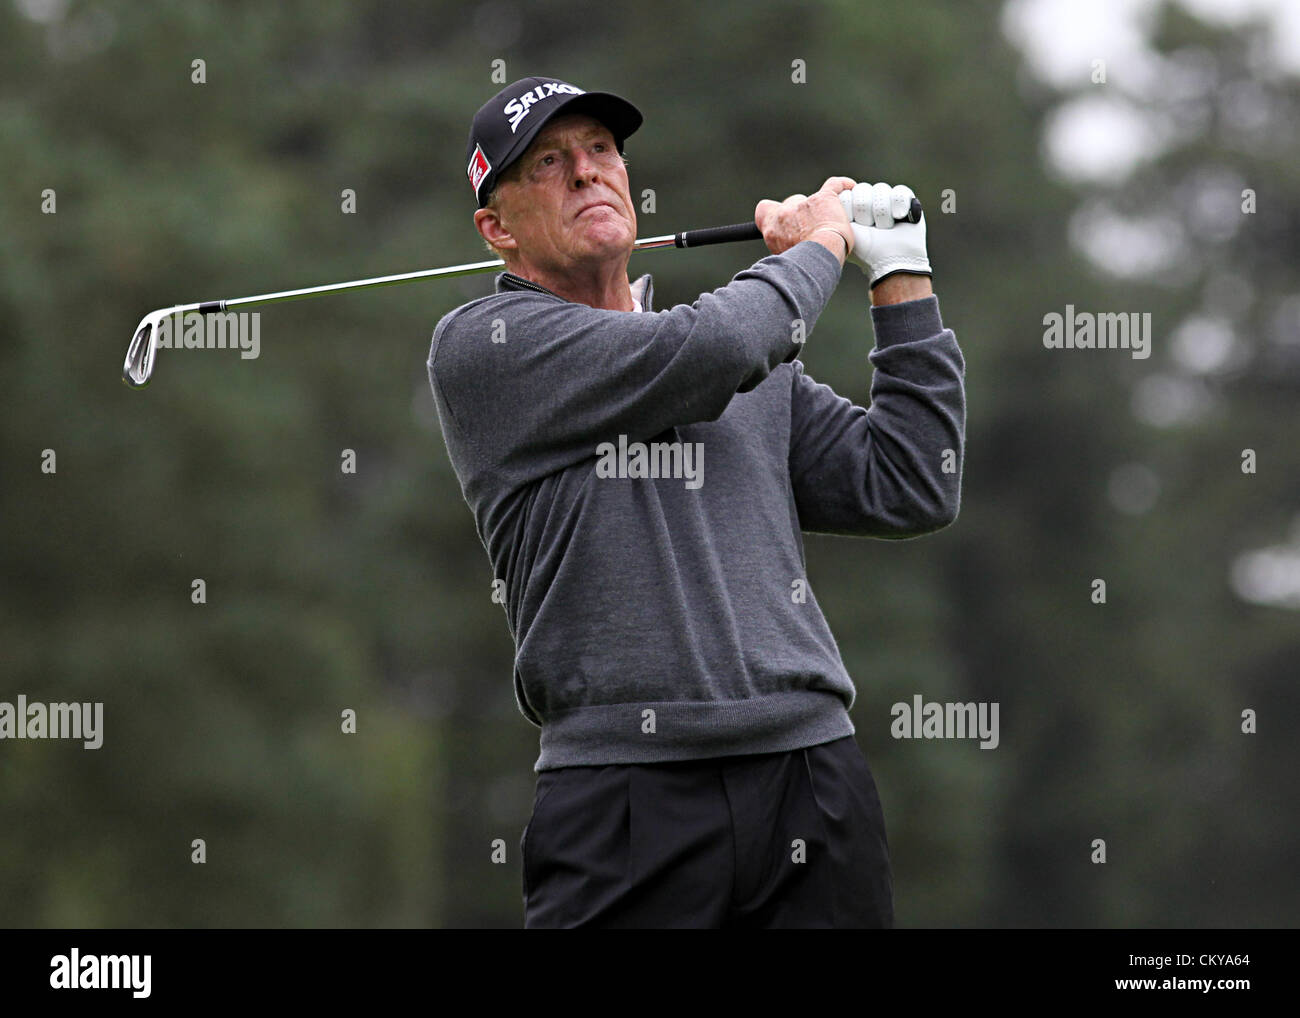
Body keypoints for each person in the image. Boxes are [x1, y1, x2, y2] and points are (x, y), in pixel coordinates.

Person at [426, 76, 966, 928]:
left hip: (810, 781)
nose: (586, 173)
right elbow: (716, 345)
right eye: (548, 164)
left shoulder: (748, 365)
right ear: (497, 228)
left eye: (602, 151)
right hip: (622, 801)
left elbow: (910, 482)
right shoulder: (487, 349)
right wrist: (819, 244)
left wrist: (901, 278)